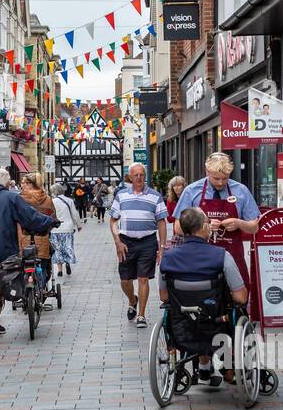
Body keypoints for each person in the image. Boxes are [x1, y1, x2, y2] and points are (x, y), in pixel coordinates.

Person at [160, 207, 249, 385]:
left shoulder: (168, 258)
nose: (210, 226)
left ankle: (204, 367)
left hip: (183, 325)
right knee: (233, 309)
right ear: (202, 227)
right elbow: (241, 297)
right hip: (216, 323)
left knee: (193, 313)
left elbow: (164, 297)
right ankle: (227, 366)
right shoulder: (222, 256)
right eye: (208, 223)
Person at [0, 168, 59, 337]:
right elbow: (30, 217)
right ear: (8, 183)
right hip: (2, 250)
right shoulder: (11, 197)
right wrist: (49, 222)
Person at [184, 152, 262, 295]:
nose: (220, 183)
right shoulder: (191, 191)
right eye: (216, 178)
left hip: (232, 256)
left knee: (239, 296)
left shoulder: (241, 191)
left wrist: (239, 223)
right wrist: (204, 223)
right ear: (207, 171)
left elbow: (254, 227)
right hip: (200, 258)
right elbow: (178, 227)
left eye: (225, 179)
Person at [108, 163, 169, 329]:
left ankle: (141, 315)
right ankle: (132, 300)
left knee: (143, 278)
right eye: (136, 175)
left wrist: (162, 247)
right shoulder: (121, 195)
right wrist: (117, 242)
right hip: (126, 241)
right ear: (130, 177)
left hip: (148, 241)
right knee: (125, 280)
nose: (139, 177)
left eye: (142, 174)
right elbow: (113, 220)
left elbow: (162, 223)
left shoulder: (155, 196)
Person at [17, 174, 56, 286]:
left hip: (23, 239)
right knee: (42, 267)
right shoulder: (47, 199)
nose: (22, 185)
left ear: (30, 184)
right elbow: (53, 219)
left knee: (23, 266)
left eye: (24, 183)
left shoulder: (19, 199)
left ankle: (25, 292)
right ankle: (41, 291)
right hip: (42, 238)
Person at [48, 183, 80, 278]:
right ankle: (67, 263)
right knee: (67, 246)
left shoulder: (52, 202)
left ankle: (60, 270)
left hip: (55, 228)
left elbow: (49, 215)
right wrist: (78, 225)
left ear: (54, 192)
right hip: (68, 228)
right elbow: (75, 214)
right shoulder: (69, 201)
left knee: (57, 249)